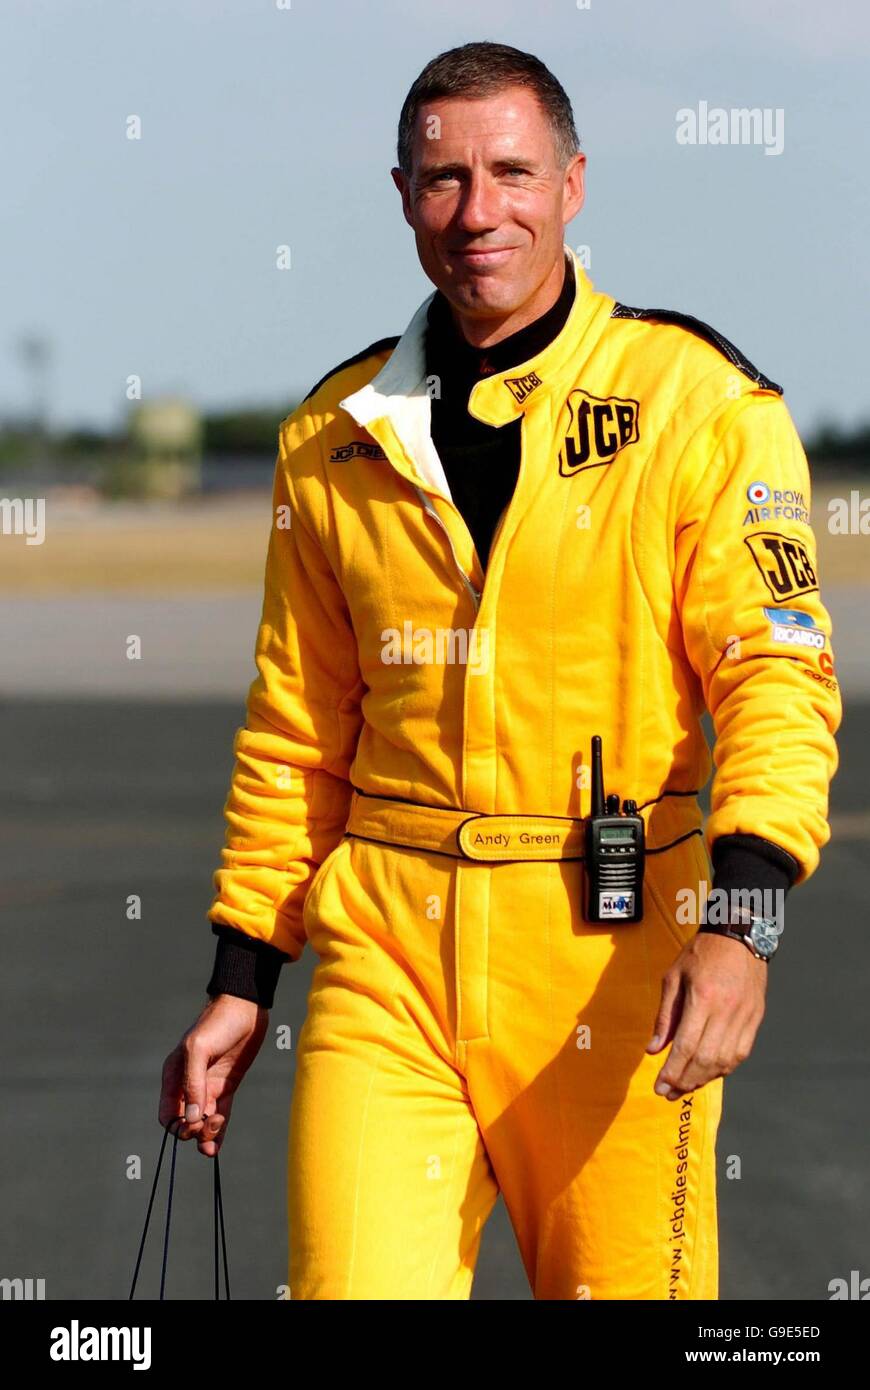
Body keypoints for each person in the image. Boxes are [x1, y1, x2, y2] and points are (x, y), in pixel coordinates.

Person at [159, 41, 841, 1300]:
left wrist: (745, 921)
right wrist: (243, 972)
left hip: (616, 960)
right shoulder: (335, 433)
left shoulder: (702, 402)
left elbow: (776, 679)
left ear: (574, 184)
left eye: (512, 173)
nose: (480, 214)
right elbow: (297, 729)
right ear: (403, 194)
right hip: (388, 966)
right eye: (443, 180)